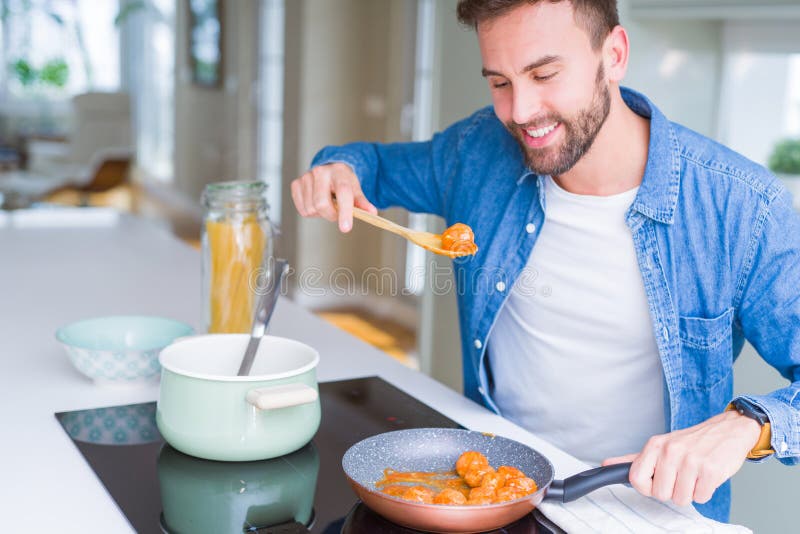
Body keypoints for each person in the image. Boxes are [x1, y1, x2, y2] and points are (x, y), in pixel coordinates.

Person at [290, 0, 800, 522]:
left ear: (615, 55)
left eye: (545, 74)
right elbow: (369, 164)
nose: (520, 111)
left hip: (655, 515)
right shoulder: (479, 150)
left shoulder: (742, 206)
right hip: (498, 494)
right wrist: (336, 171)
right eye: (499, 82)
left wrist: (745, 426)